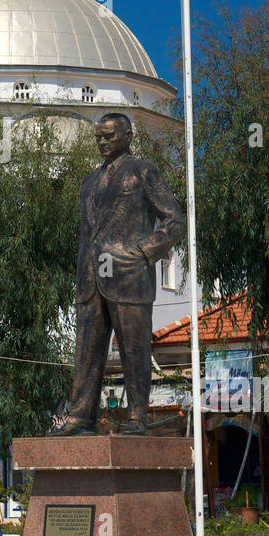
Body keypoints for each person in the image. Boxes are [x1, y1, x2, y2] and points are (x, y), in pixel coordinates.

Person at [57, 112, 185, 437]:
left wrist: (142, 252)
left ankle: (137, 417)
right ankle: (80, 417)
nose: (102, 142)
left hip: (129, 275)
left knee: (134, 349)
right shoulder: (88, 182)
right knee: (86, 351)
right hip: (90, 279)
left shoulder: (143, 172)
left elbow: (175, 221)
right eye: (98, 136)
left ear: (128, 135)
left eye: (109, 136)